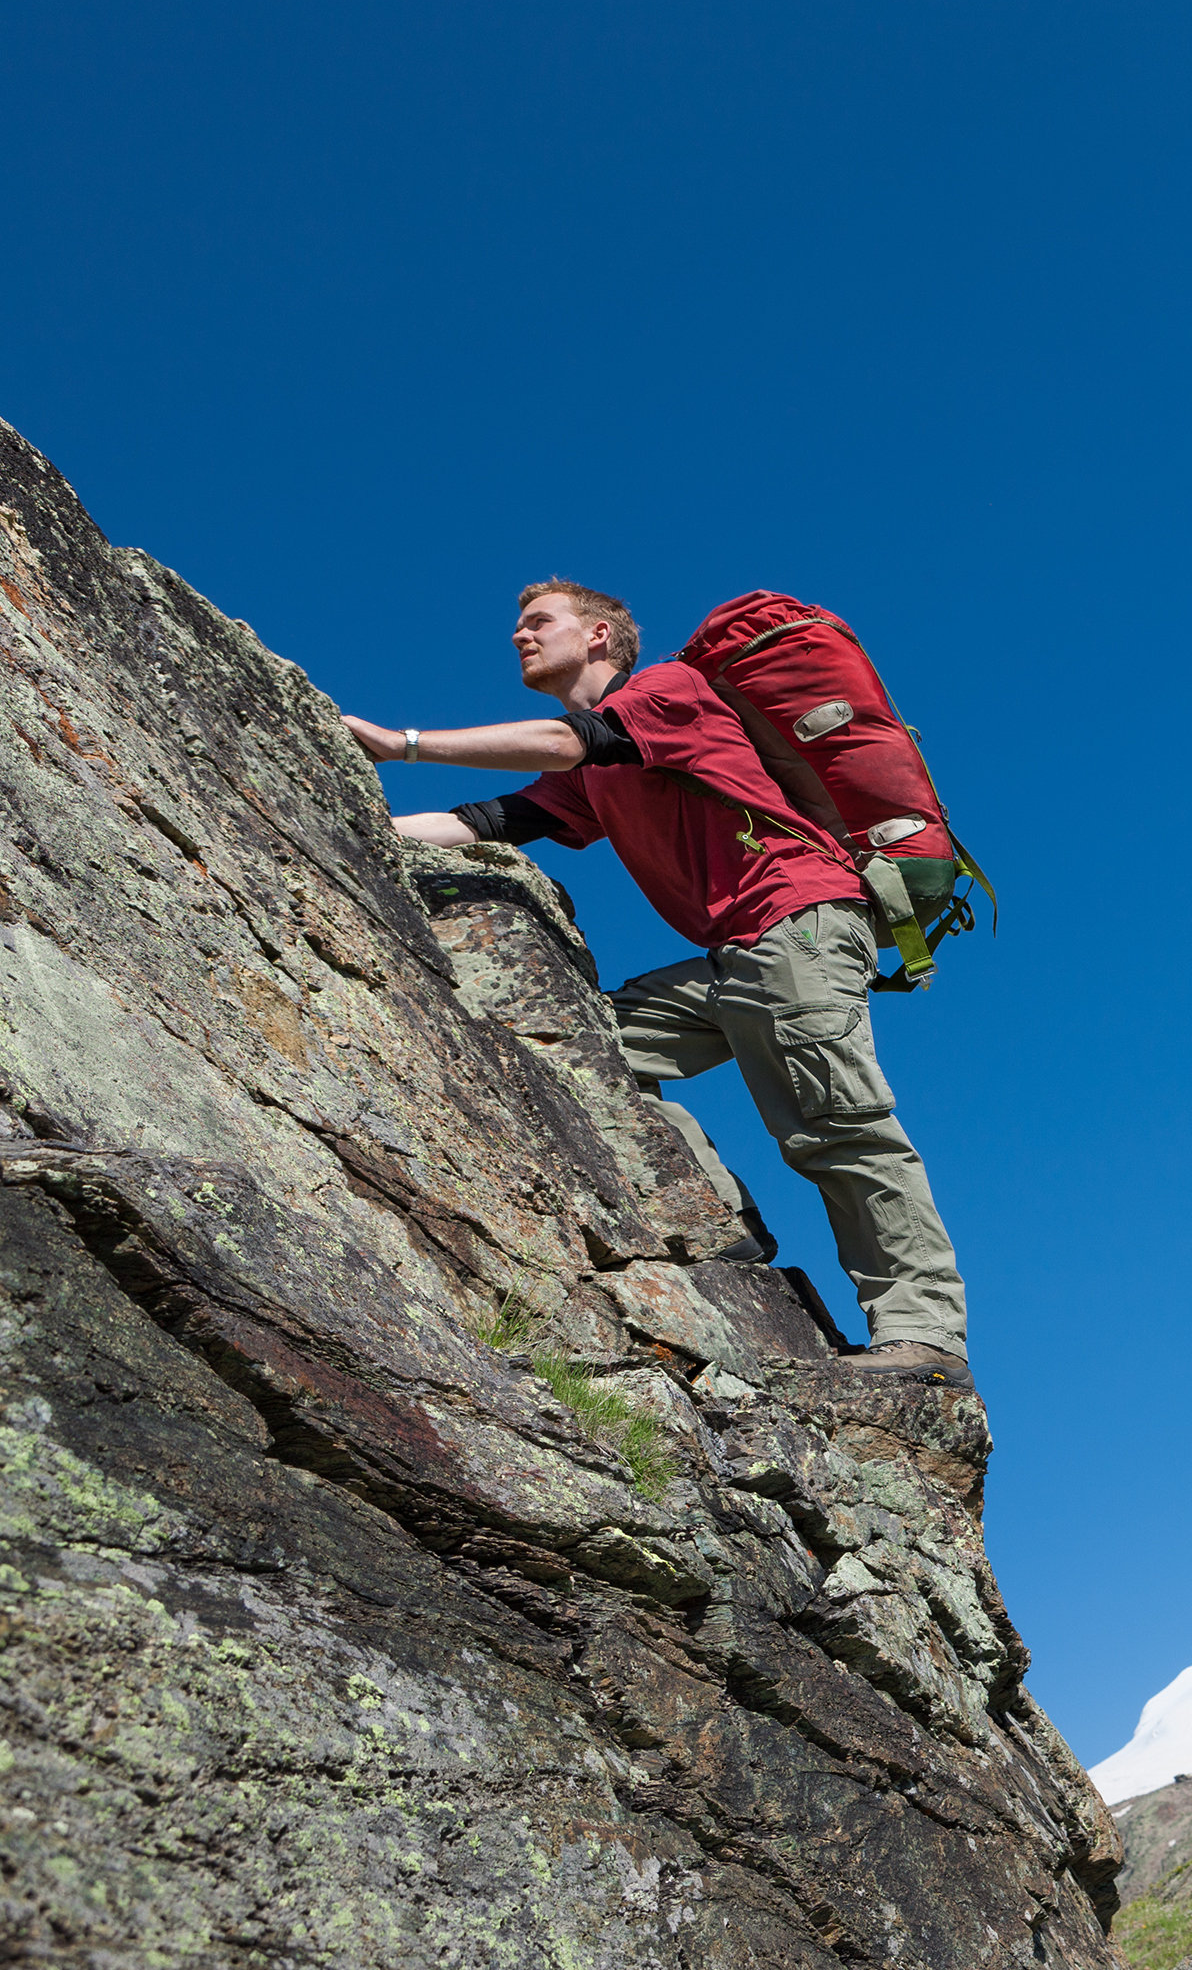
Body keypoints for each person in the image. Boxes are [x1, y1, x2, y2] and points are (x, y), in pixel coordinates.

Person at [343, 579, 973, 1391]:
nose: (518, 637)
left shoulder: (666, 695)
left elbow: (571, 742)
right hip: (733, 955)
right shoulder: (598, 761)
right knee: (580, 1058)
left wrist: (403, 744)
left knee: (836, 1129)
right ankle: (714, 1222)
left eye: (539, 622)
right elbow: (486, 824)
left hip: (796, 923)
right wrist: (347, 815)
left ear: (600, 635)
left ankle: (924, 1336)